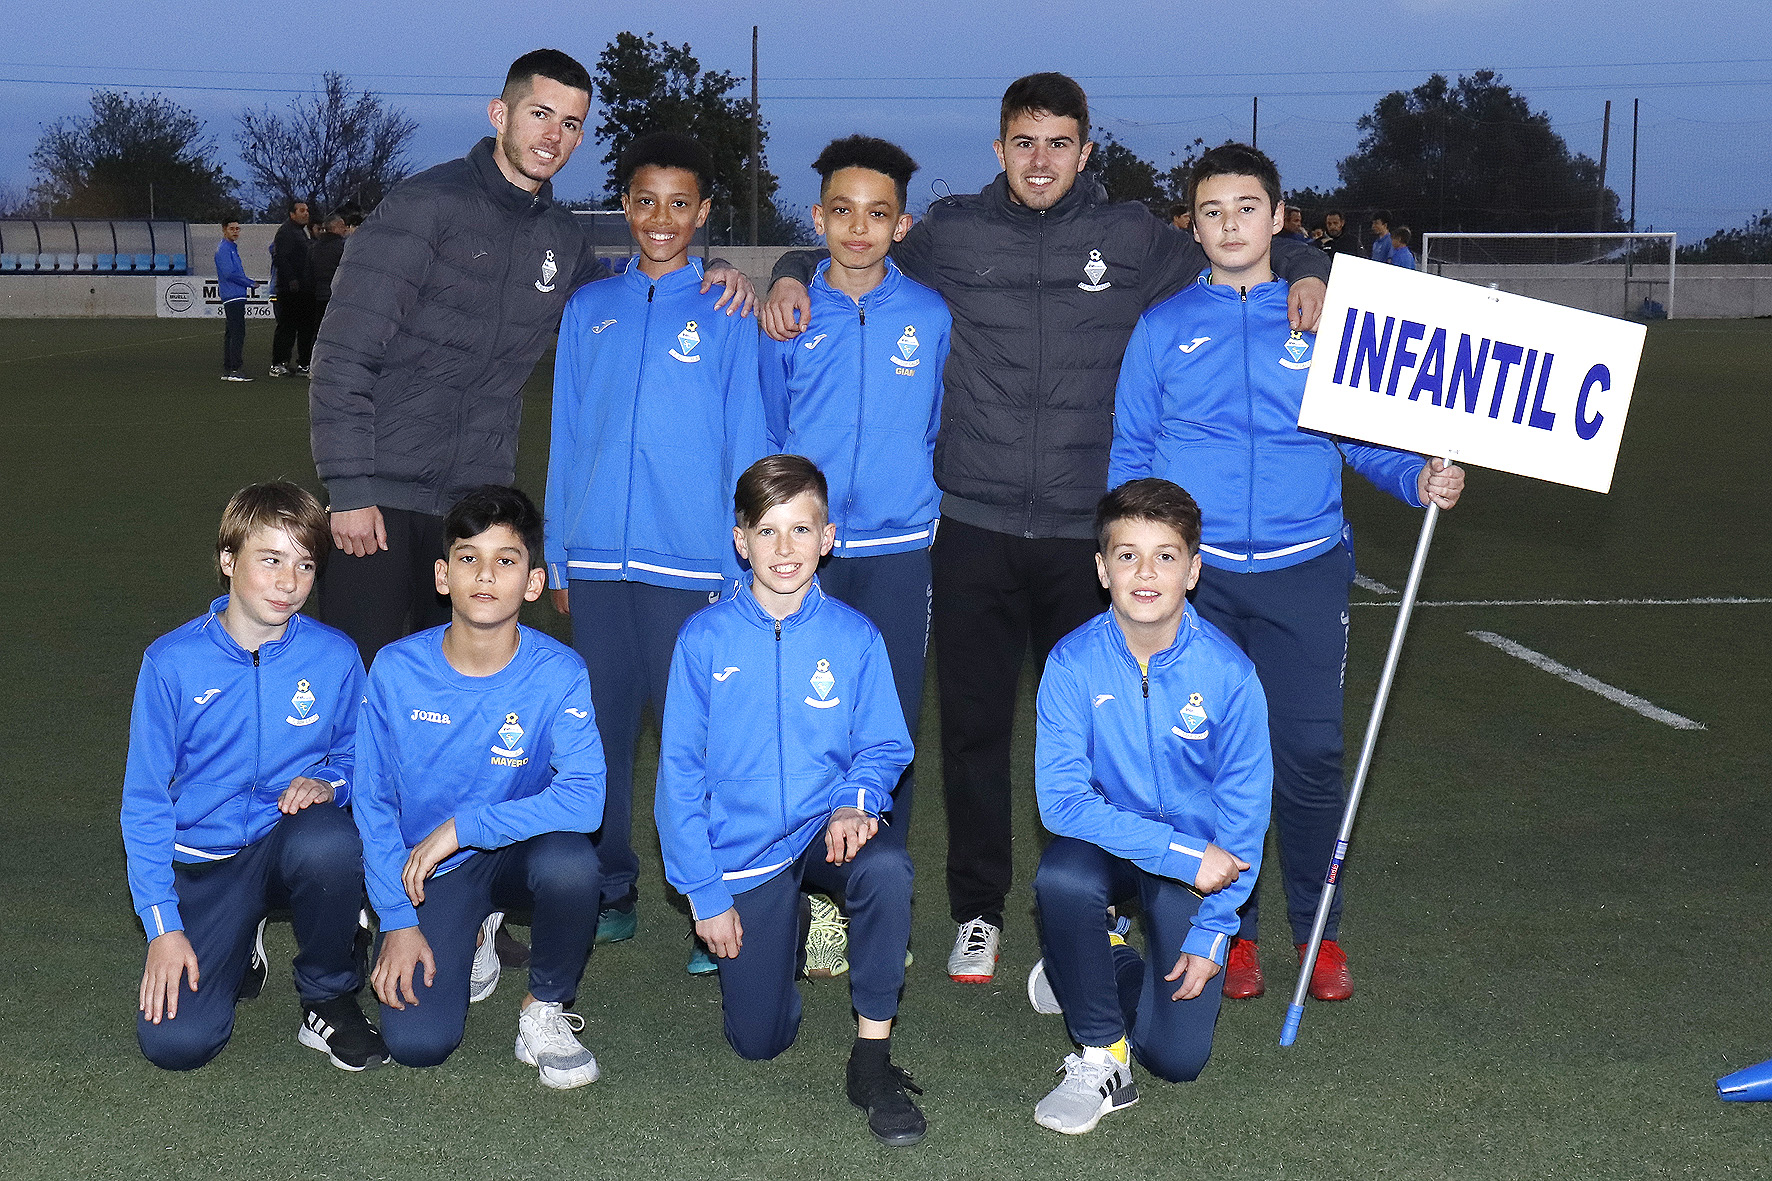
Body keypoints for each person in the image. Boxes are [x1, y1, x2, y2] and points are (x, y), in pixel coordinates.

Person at [763, 72, 1330, 984]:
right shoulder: (950, 231)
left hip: (1086, 535)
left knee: (1102, 737)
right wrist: (787, 271)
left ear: (1085, 149)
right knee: (975, 729)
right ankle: (979, 912)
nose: (1040, 160)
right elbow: (851, 243)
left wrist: (1308, 267)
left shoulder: (1135, 236)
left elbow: (1247, 265)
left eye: (1059, 143)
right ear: (999, 149)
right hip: (974, 524)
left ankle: (1098, 916)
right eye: (1024, 142)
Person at [1108, 143, 1465, 1004]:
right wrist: (1136, 564)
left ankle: (1319, 931)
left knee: (1309, 755)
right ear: (1191, 226)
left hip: (1305, 569)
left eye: (1246, 208)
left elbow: (1362, 436)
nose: (1230, 225)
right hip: (1203, 580)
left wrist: (1418, 474)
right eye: (1211, 212)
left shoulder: (1322, 320)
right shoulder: (1160, 330)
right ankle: (1229, 930)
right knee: (1212, 759)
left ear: (1278, 217)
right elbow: (1128, 457)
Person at [310, 49, 754, 667]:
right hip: (380, 503)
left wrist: (716, 272)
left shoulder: (561, 236)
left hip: (473, 510)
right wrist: (351, 486)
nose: (554, 136)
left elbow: (630, 295)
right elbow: (343, 350)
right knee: (361, 689)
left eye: (571, 123)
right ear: (500, 113)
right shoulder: (424, 206)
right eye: (541, 114)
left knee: (458, 694)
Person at [543, 131, 767, 967]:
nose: (661, 219)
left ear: (703, 211)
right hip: (598, 562)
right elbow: (567, 435)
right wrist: (560, 553)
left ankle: (716, 891)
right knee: (598, 734)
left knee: (694, 738)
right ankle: (611, 886)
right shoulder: (587, 308)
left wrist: (739, 559)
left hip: (695, 566)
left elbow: (748, 438)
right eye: (645, 201)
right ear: (624, 206)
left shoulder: (727, 309)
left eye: (680, 203)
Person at [655, 455, 923, 1146]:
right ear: (739, 539)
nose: (784, 549)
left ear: (827, 537)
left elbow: (885, 744)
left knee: (886, 867)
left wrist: (855, 799)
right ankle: (791, 922)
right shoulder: (703, 640)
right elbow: (678, 775)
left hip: (824, 824)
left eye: (800, 529)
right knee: (759, 1041)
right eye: (767, 531)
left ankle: (872, 1057)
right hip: (744, 852)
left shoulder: (855, 637)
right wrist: (704, 892)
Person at [1025, 479, 1271, 1134]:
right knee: (1063, 875)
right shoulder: (1072, 662)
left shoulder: (1229, 674)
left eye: (1165, 556)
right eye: (1127, 554)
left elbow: (1244, 816)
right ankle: (1102, 1056)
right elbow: (1061, 801)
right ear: (1102, 568)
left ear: (1193, 569)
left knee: (1178, 1056)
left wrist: (1218, 925)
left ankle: (1089, 959)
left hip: (1196, 870)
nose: (1146, 572)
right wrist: (1182, 852)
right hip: (1116, 848)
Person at [122, 482, 384, 1072]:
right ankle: (242, 937)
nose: (289, 582)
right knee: (177, 1045)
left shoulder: (336, 656)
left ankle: (327, 994)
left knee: (331, 841)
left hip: (287, 840)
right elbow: (144, 804)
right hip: (203, 861)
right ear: (227, 560)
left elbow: (361, 757)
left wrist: (330, 783)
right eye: (271, 560)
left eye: (306, 564)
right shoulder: (170, 662)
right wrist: (162, 927)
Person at [353, 485, 608, 1088]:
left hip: (515, 851)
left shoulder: (560, 672)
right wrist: (396, 918)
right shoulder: (395, 668)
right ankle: (470, 930)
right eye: (469, 558)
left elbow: (586, 799)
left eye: (506, 560)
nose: (486, 575)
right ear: (442, 576)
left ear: (535, 582)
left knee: (574, 863)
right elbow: (371, 802)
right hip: (428, 869)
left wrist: (466, 827)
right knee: (418, 1043)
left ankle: (543, 1006)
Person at [269, 200, 313, 378]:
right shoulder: (286, 232)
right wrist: (292, 279)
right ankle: (278, 363)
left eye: (307, 210)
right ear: (292, 214)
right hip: (289, 290)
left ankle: (302, 364)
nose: (306, 213)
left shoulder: (299, 232)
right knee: (287, 328)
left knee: (303, 328)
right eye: (302, 210)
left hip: (302, 289)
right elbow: (280, 258)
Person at [214, 219, 260, 382]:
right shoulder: (224, 249)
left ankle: (229, 368)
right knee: (237, 332)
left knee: (231, 332)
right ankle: (235, 369)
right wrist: (249, 283)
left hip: (233, 294)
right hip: (233, 295)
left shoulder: (230, 248)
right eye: (232, 228)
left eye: (237, 229)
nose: (235, 231)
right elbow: (229, 273)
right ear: (224, 229)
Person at [307, 207, 360, 335]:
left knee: (319, 331)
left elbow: (308, 272)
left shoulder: (314, 247)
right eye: (342, 226)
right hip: (338, 296)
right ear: (335, 227)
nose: (345, 229)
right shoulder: (343, 247)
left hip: (318, 296)